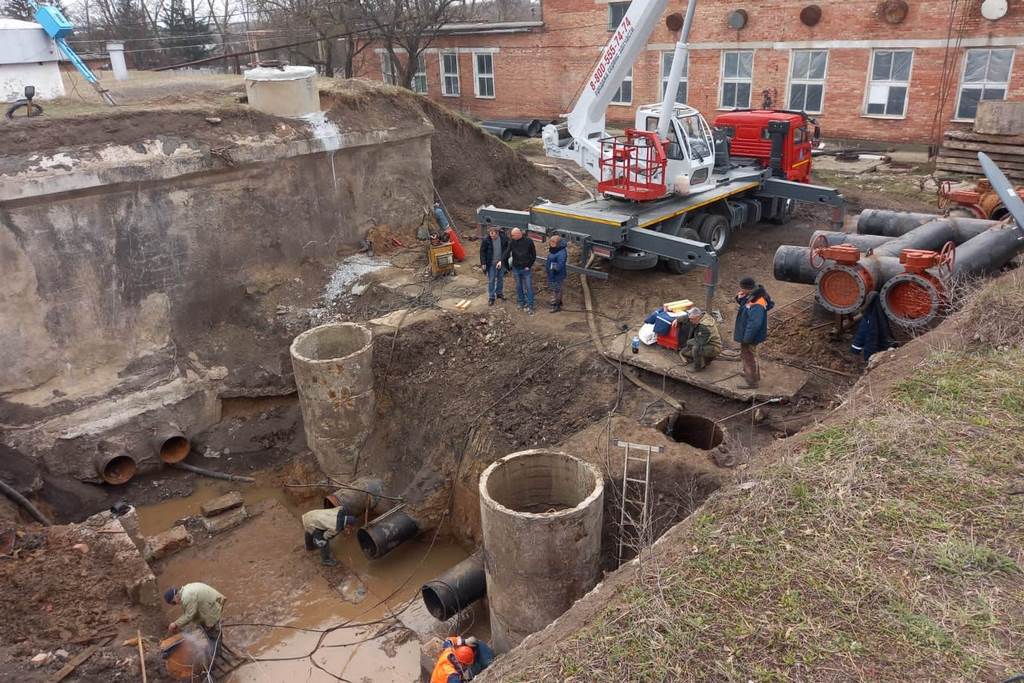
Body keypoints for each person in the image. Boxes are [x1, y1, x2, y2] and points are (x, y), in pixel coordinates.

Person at [734, 276, 774, 389]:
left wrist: (747, 339)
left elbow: (754, 324)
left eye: (742, 289)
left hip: (751, 336)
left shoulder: (757, 303)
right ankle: (751, 374)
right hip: (748, 334)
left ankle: (752, 381)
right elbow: (745, 305)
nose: (741, 290)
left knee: (748, 356)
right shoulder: (752, 295)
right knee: (746, 354)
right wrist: (740, 298)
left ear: (747, 288)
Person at [851, 291, 895, 361]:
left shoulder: (868, 318)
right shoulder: (882, 314)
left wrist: (855, 350)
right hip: (882, 345)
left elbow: (861, 334)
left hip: (872, 349)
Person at [505, 228, 537, 315]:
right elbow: (507, 253)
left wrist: (529, 266)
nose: (512, 237)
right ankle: (521, 302)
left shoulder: (529, 241)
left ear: (519, 234)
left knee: (528, 287)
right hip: (516, 268)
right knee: (519, 287)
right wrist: (502, 262)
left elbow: (533, 255)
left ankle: (530, 305)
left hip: (526, 269)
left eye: (513, 235)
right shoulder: (512, 242)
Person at [479, 226, 509, 305]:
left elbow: (507, 249)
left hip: (500, 262)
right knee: (491, 280)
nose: (492, 237)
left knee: (500, 278)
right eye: (491, 235)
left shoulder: (503, 238)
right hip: (491, 263)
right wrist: (483, 263)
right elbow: (482, 252)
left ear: (497, 233)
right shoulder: (486, 240)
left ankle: (499, 293)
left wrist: (502, 260)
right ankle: (491, 297)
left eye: (493, 236)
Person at [545, 234, 568, 313]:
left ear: (558, 243)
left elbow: (559, 266)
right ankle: (557, 301)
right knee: (554, 289)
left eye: (553, 241)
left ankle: (557, 306)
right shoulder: (555, 249)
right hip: (552, 274)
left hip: (557, 275)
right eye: (551, 241)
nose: (551, 243)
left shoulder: (562, 253)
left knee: (557, 290)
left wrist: (550, 266)